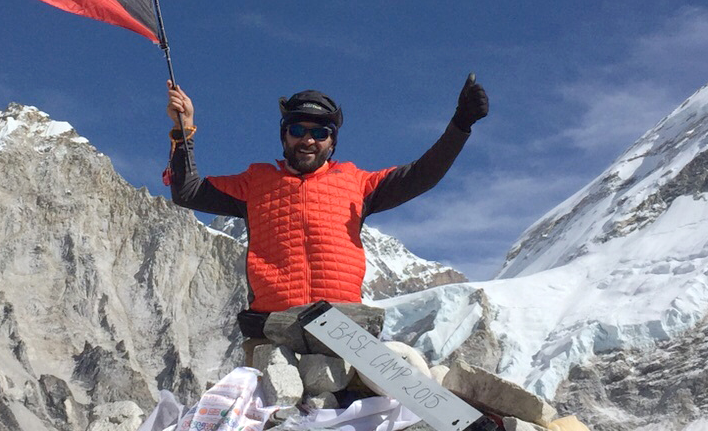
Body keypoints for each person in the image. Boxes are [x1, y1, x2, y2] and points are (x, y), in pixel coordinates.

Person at [165, 76, 489, 337]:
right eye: (297, 130)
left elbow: (422, 175)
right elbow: (188, 192)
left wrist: (460, 125)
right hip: (272, 325)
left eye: (320, 133)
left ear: (332, 142)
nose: (308, 140)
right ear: (284, 136)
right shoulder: (255, 182)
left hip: (343, 326)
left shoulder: (358, 183)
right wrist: (183, 130)